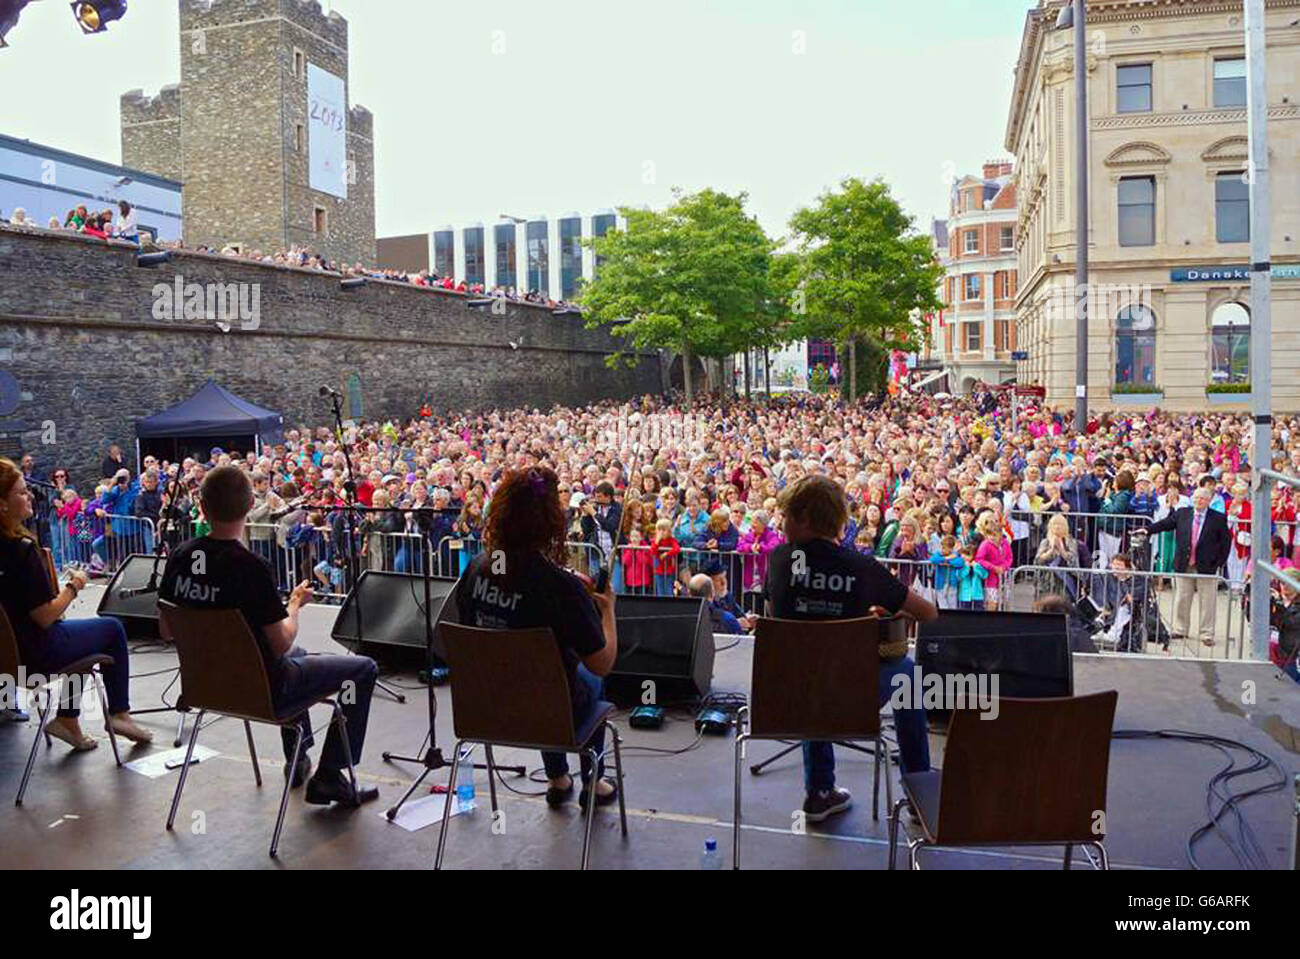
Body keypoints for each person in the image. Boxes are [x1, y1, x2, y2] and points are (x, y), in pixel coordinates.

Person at [160, 466, 379, 806]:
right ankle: (330, 776)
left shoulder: (181, 556)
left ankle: (297, 754)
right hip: (262, 691)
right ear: (250, 505)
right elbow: (280, 642)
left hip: (205, 687)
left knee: (300, 655)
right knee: (362, 669)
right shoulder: (250, 567)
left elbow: (165, 629)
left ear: (201, 507)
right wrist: (294, 605)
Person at [761, 475, 938, 823]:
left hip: (787, 697)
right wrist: (874, 610)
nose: (781, 526)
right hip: (851, 700)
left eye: (787, 516)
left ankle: (820, 791)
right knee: (908, 675)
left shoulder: (780, 559)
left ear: (806, 518)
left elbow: (775, 615)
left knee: (812, 665)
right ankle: (919, 790)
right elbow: (928, 613)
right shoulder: (861, 568)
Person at [455, 467, 620, 809]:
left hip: (486, 708)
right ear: (550, 522)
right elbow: (602, 663)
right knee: (578, 676)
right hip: (550, 712)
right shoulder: (561, 589)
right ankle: (593, 781)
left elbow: (476, 621)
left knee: (542, 673)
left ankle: (558, 778)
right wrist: (607, 612)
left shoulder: (476, 568)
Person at [0, 458, 153, 747]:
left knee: (81, 638)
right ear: (2, 504)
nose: (29, 495)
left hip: (8, 659)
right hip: (35, 655)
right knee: (111, 629)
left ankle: (68, 721)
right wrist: (74, 585)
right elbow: (45, 616)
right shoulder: (21, 552)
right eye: (21, 492)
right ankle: (120, 713)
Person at [1145, 486, 1231, 648]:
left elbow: (1225, 543)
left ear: (1208, 501)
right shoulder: (1183, 514)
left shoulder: (1218, 518)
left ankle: (1207, 633)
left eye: (1202, 499)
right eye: (1196, 498)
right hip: (1184, 564)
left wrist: (1218, 562)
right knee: (1182, 599)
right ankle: (1180, 629)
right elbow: (1165, 524)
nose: (1198, 501)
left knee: (1207, 602)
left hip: (1206, 566)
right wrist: (1147, 530)